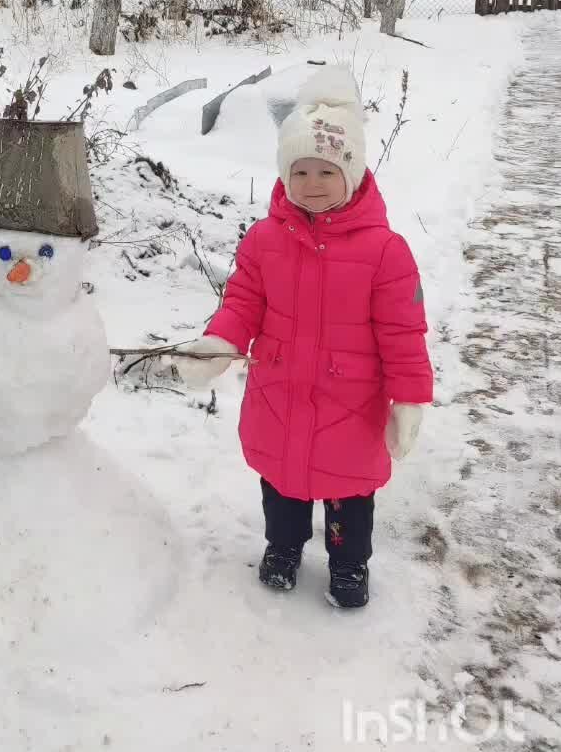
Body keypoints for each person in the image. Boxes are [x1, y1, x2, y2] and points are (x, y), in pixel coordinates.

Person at [173, 67, 432, 609]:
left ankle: (348, 564)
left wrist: (409, 399)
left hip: (351, 403)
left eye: (326, 171)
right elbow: (242, 303)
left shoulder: (386, 252)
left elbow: (403, 334)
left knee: (348, 493)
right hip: (281, 394)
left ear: (353, 173)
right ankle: (284, 547)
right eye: (301, 171)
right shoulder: (263, 241)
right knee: (282, 483)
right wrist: (220, 343)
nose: (312, 183)